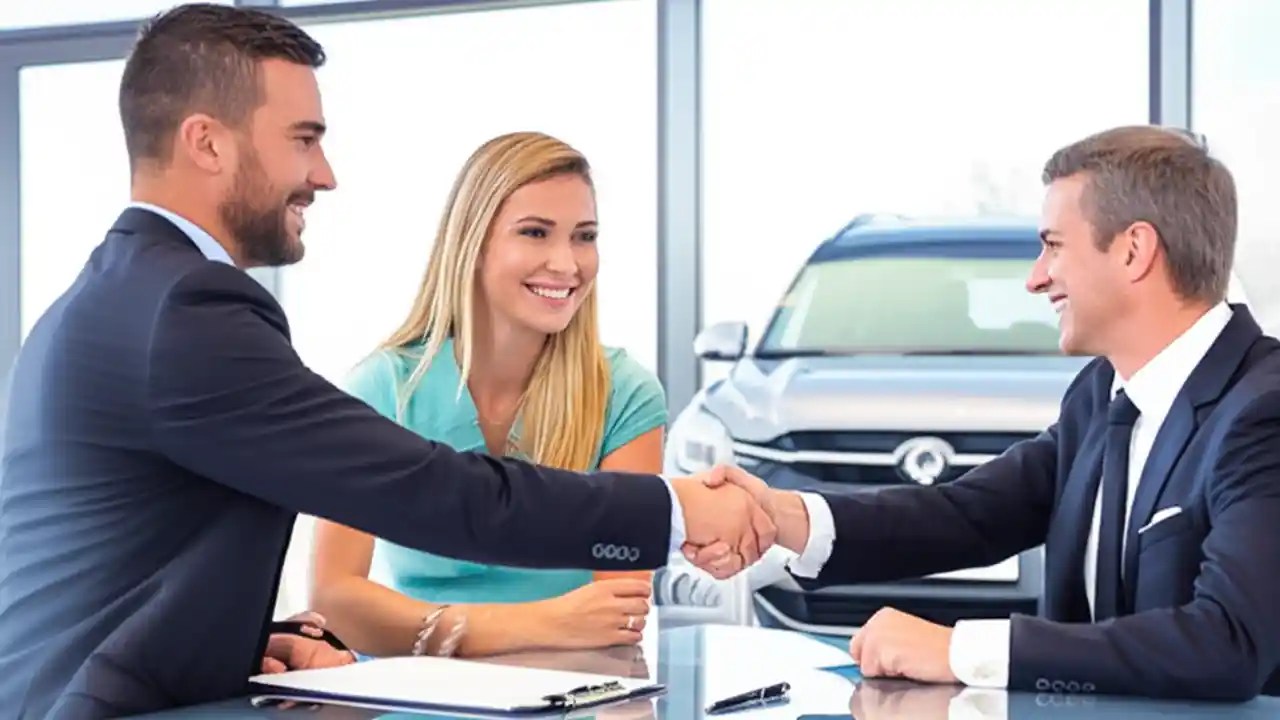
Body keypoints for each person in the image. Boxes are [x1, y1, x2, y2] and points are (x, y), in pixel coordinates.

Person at [0, 5, 772, 718]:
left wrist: (249, 642)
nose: (325, 173)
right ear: (208, 142)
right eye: (304, 138)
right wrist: (675, 511)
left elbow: (124, 563)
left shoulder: (115, 295)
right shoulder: (186, 309)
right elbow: (432, 491)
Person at [690, 125, 1280, 701]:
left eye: (1053, 246)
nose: (1035, 278)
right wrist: (779, 514)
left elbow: (1226, 643)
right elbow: (969, 514)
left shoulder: (1263, 411)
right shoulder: (1102, 395)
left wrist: (957, 651)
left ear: (1133, 250)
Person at [310, 131, 668, 657]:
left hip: (572, 698)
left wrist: (425, 627)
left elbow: (619, 611)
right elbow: (336, 599)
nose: (567, 264)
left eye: (584, 236)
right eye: (535, 232)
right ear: (473, 244)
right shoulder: (384, 389)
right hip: (412, 703)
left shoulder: (626, 394)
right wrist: (543, 622)